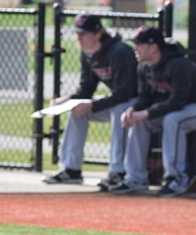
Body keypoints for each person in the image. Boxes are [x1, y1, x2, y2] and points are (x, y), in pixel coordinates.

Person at [110, 27, 196, 196]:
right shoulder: (144, 67)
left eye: (139, 44)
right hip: (181, 109)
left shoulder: (179, 65)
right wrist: (133, 111)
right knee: (141, 121)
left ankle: (176, 179)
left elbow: (177, 102)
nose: (135, 48)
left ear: (153, 47)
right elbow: (144, 99)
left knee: (173, 120)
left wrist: (144, 113)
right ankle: (136, 178)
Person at [43, 14, 138, 189]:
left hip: (137, 102)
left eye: (83, 34)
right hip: (120, 99)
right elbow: (86, 89)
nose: (78, 38)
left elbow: (125, 93)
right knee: (77, 111)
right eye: (77, 33)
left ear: (97, 33)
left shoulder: (119, 51)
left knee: (119, 110)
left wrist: (92, 104)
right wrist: (68, 100)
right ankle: (71, 169)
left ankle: (118, 171)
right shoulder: (88, 54)